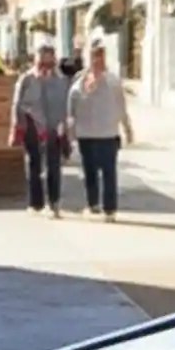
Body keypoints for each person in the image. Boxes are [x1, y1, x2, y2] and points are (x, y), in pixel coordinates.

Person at [67, 45, 134, 222]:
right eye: (94, 56)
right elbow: (71, 108)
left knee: (109, 172)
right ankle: (93, 204)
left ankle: (109, 209)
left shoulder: (112, 81)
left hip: (108, 134)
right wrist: (70, 133)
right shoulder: (79, 80)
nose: (97, 60)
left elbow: (121, 106)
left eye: (100, 56)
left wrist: (127, 128)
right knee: (89, 172)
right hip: (85, 134)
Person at [10, 45, 70, 218]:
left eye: (48, 57)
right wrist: (18, 125)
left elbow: (66, 104)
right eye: (42, 57)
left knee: (54, 166)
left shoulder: (61, 80)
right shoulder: (27, 79)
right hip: (32, 126)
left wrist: (66, 127)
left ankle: (54, 203)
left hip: (54, 127)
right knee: (34, 164)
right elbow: (17, 104)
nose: (45, 61)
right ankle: (35, 203)